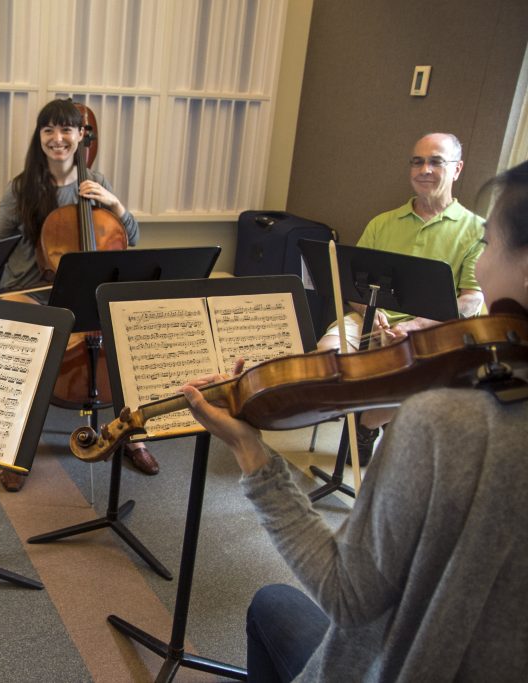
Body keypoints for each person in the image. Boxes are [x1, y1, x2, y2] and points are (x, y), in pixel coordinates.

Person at [179, 161, 528, 682]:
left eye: (489, 244)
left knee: (271, 604)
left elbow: (349, 594)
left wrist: (253, 454)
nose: (479, 264)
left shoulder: (446, 424)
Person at [0, 99, 155, 490]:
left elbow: (132, 238)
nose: (58, 139)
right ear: (40, 136)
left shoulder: (97, 183)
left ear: (80, 136)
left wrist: (115, 205)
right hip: (31, 290)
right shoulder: (22, 187)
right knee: (24, 353)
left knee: (131, 344)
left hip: (82, 294)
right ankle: (16, 447)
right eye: (49, 130)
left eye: (66, 130)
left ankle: (131, 434)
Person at [316, 133, 485, 462]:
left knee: (413, 376)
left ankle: (367, 424)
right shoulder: (382, 223)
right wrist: (369, 312)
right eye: (417, 161)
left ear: (457, 169)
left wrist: (417, 326)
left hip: (434, 331)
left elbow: (470, 300)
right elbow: (352, 287)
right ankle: (374, 419)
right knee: (327, 357)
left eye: (436, 161)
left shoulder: (476, 229)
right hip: (372, 320)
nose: (424, 169)